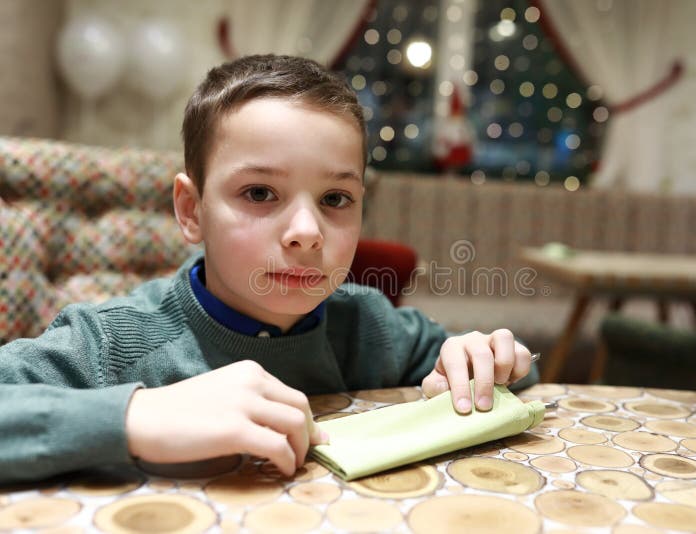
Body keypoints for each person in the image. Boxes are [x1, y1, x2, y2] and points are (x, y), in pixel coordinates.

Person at [0, 54, 538, 483]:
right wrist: (135, 417)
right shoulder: (111, 342)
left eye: (335, 197)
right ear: (192, 211)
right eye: (260, 192)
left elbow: (507, 377)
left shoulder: (367, 322)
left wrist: (482, 359)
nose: (307, 230)